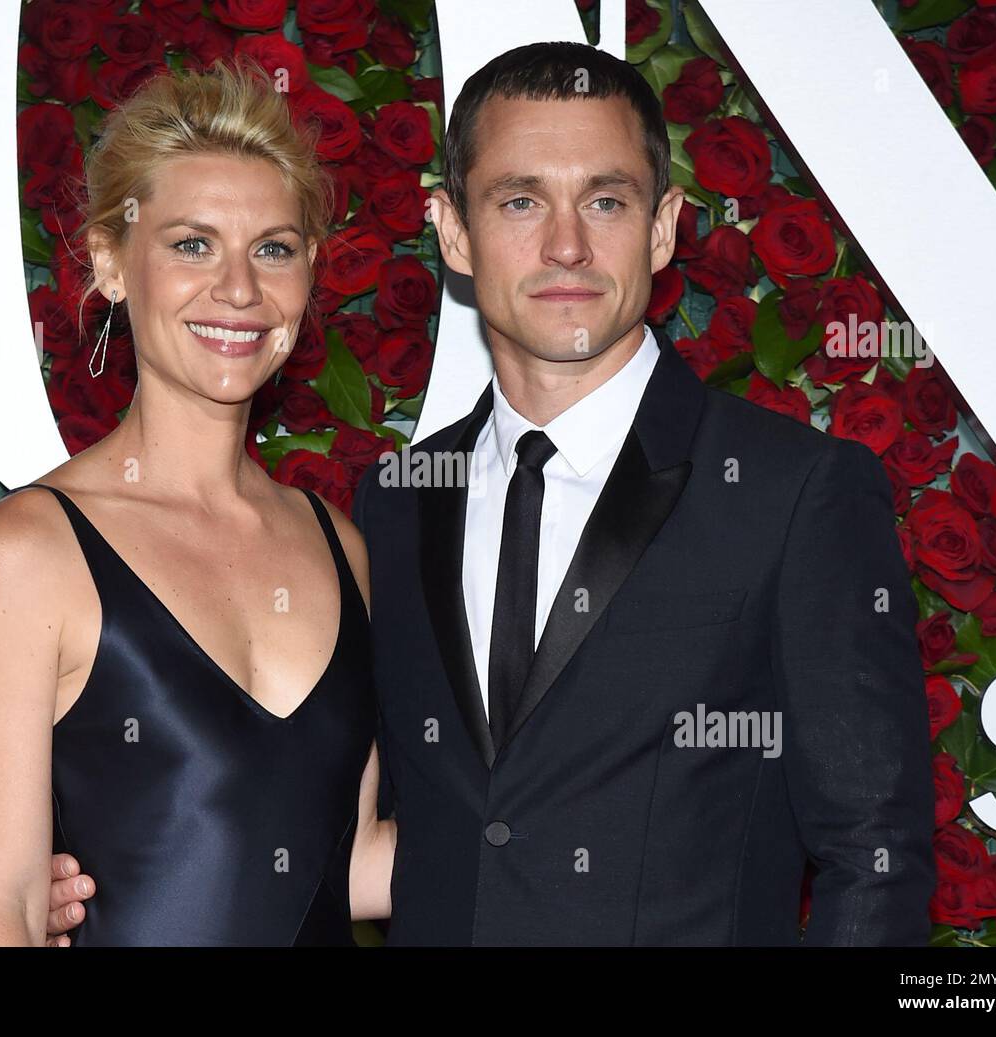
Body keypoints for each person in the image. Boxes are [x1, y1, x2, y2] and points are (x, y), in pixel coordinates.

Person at [48, 40, 935, 946]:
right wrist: (98, 879)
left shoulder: (794, 493)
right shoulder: (395, 504)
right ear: (454, 232)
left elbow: (876, 857)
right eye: (520, 201)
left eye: (606, 200)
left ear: (663, 227)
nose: (566, 245)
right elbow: (339, 827)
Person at [0, 58, 395, 946]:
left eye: (274, 248)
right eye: (192, 244)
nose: (239, 289)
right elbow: (3, 913)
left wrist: (582, 814)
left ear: (309, 274)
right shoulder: (24, 553)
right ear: (111, 262)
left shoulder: (338, 543)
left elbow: (346, 864)